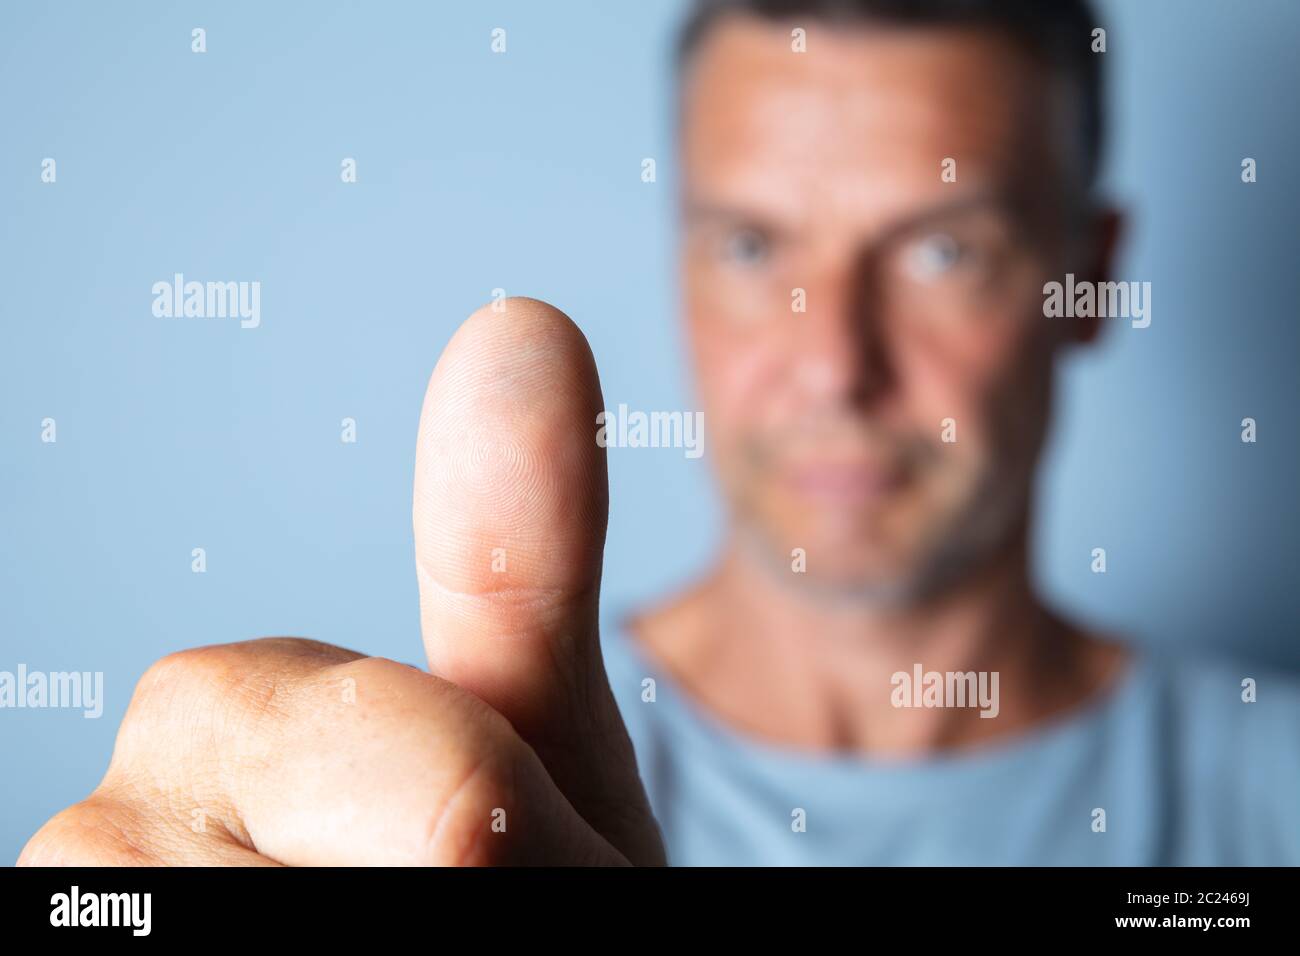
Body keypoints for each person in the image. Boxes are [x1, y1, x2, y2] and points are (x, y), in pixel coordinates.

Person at [20, 0, 1299, 867]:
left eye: (944, 250)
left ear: (1091, 277)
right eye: (753, 246)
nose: (833, 363)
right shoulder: (446, 780)